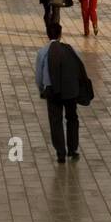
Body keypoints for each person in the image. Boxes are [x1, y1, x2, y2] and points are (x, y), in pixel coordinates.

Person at [36, 23, 86, 163]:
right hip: (69, 89)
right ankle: (73, 149)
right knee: (72, 118)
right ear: (60, 34)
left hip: (52, 90)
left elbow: (39, 76)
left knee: (55, 120)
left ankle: (60, 152)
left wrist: (42, 89)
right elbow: (78, 65)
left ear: (47, 34)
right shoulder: (69, 49)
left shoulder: (43, 52)